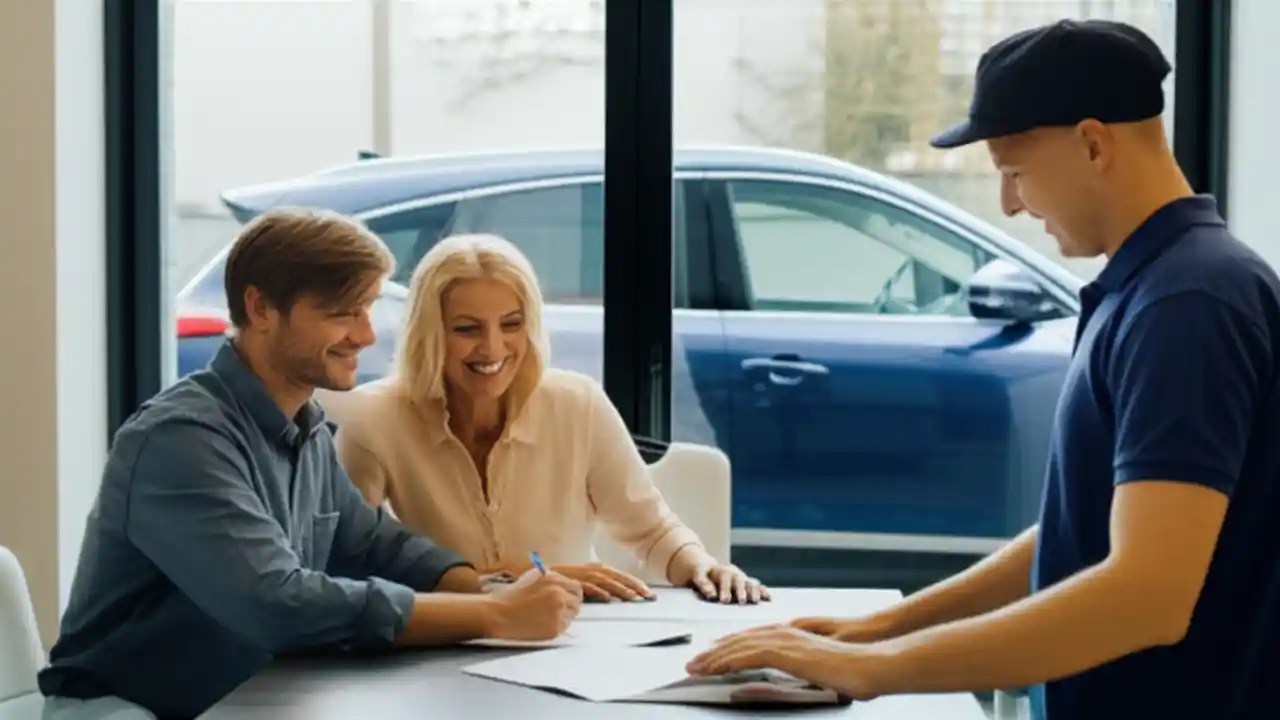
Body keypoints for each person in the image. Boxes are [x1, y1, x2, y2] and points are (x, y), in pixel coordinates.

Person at [685, 18, 1280, 719]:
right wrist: (879, 629)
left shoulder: (1189, 303)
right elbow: (1076, 532)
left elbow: (1146, 596)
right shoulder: (1159, 285)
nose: (1009, 204)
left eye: (1013, 171)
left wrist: (874, 669)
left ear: (1093, 144)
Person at [39, 209, 582, 719]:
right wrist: (495, 616)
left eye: (368, 309)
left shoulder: (306, 425)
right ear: (260, 310)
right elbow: (277, 602)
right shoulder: (180, 440)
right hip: (128, 709)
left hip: (251, 695)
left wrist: (483, 589)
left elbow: (370, 542)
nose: (366, 335)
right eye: (342, 312)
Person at [323, 233, 767, 604]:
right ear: (429, 334)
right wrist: (521, 577)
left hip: (575, 631)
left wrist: (704, 566)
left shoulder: (578, 403)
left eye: (511, 324)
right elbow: (353, 565)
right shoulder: (374, 420)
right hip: (446, 637)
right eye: (467, 329)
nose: (493, 349)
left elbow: (650, 530)